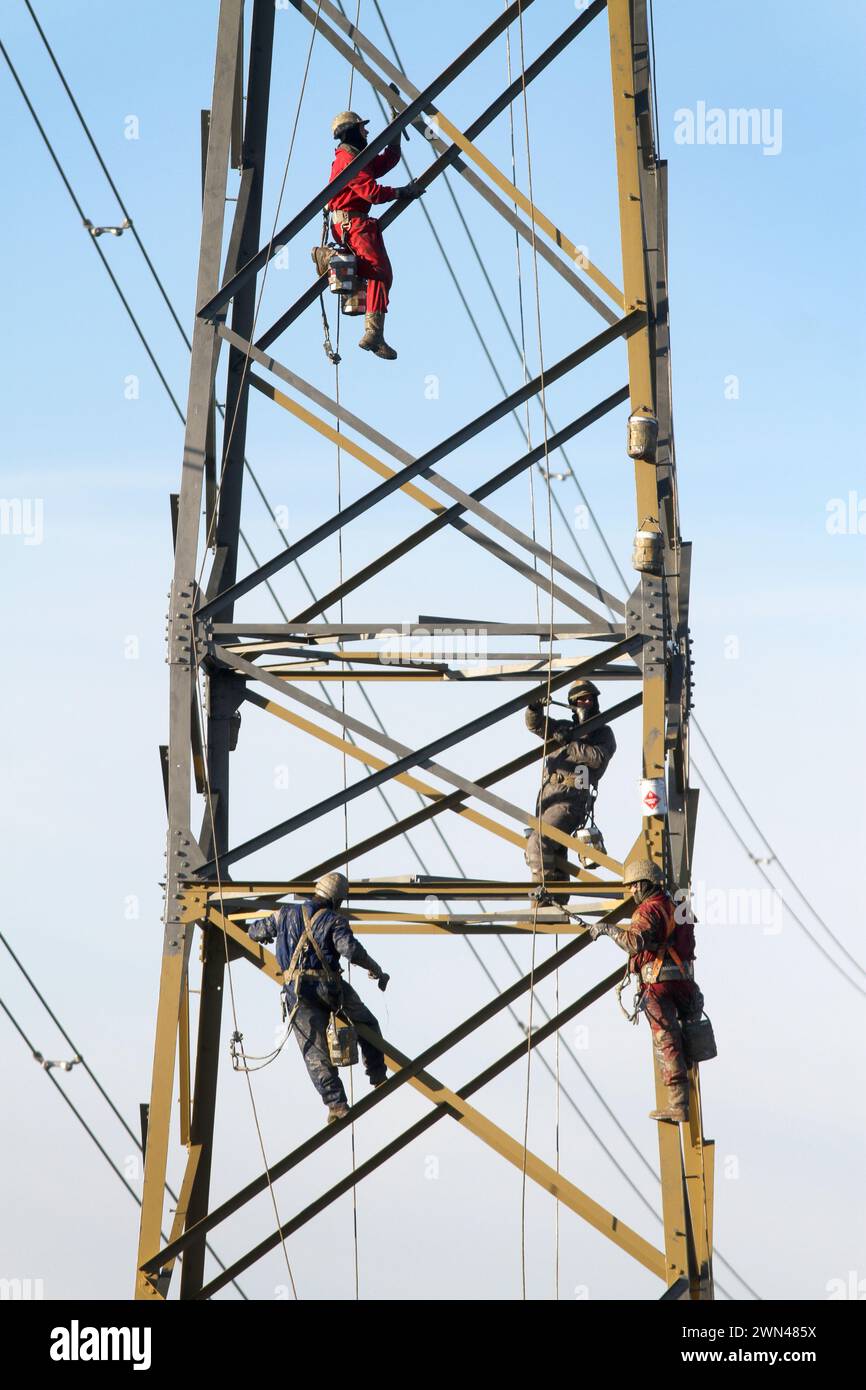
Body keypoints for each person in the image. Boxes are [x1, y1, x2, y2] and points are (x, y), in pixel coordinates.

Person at [246, 871, 390, 1124]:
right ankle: (377, 1074)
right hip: (330, 988)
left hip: (298, 992)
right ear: (337, 900)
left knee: (315, 1053)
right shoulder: (334, 920)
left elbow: (254, 932)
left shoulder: (285, 914)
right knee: (367, 1023)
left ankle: (337, 1105)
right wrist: (375, 968)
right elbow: (350, 951)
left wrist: (270, 934)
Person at [588, 859, 704, 1123]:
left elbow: (634, 943)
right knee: (682, 1040)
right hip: (685, 984)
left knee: (666, 1040)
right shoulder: (679, 905)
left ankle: (678, 1104)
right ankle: (684, 1092)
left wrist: (606, 929)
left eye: (632, 887)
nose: (631, 893)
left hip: (659, 985)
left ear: (642, 884)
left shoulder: (648, 910)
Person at [312, 110, 424, 360]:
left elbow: (388, 161)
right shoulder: (347, 162)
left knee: (380, 274)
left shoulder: (355, 158)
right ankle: (373, 334)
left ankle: (373, 331)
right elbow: (371, 193)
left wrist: (395, 131)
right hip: (353, 224)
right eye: (362, 129)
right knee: (379, 272)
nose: (367, 132)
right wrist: (401, 192)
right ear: (351, 132)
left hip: (358, 224)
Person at [524, 678, 616, 893]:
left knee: (538, 842)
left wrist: (571, 743)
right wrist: (534, 706)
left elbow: (597, 758)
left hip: (572, 800)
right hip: (548, 798)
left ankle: (542, 894)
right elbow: (535, 725)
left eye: (587, 699)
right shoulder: (563, 727)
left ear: (595, 701)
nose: (584, 702)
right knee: (553, 853)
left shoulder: (602, 733)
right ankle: (556, 902)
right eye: (579, 699)